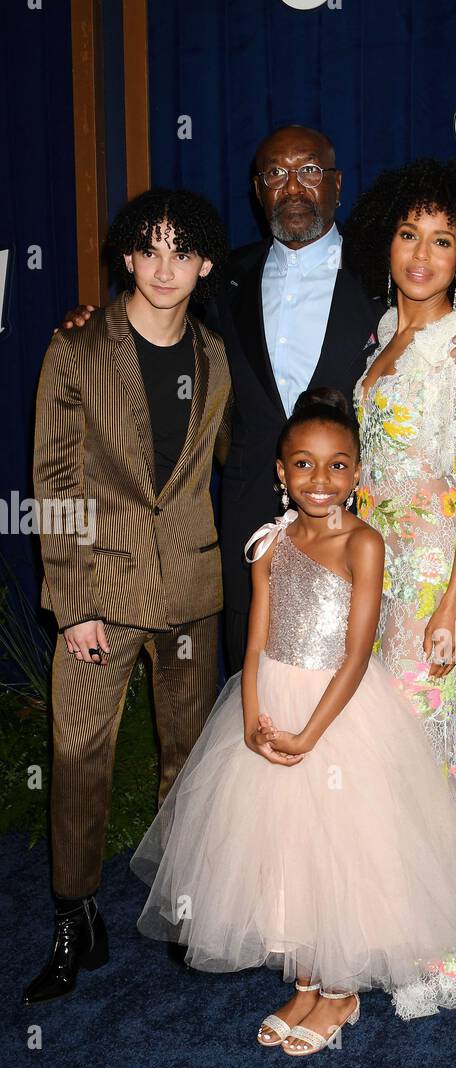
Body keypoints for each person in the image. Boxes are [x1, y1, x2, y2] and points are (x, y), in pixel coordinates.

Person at [61, 124, 456, 675]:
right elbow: (162, 325)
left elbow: (442, 333)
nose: (293, 186)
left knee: (353, 693)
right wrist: (94, 321)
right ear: (258, 189)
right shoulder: (224, 276)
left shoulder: (383, 269)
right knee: (257, 683)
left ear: (337, 183)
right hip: (251, 513)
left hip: (356, 528)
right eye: (276, 173)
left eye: (310, 171)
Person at [131, 389, 456, 1050]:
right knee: (286, 850)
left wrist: (309, 733)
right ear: (280, 472)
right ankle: (305, 983)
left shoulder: (364, 542)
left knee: (343, 848)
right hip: (275, 694)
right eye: (303, 464)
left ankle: (341, 992)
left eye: (336, 466)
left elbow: (358, 655)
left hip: (339, 712)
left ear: (357, 475)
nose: (320, 480)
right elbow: (252, 642)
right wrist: (251, 715)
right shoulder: (271, 544)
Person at [23, 189, 232, 1006]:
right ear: (127, 257)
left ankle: (178, 902)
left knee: (186, 760)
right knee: (79, 760)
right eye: (149, 249)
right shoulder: (78, 349)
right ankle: (75, 917)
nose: (164, 267)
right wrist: (72, 604)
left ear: (206, 263)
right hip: (100, 600)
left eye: (182, 251)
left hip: (190, 590)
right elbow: (56, 479)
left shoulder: (214, 356)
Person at [342, 158, 456, 1018]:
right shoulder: (383, 334)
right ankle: (391, 925)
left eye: (441, 241)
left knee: (427, 746)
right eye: (409, 234)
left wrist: (452, 605)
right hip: (373, 568)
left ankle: (448, 954)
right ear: (385, 239)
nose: (421, 254)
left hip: (431, 574)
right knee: (382, 751)